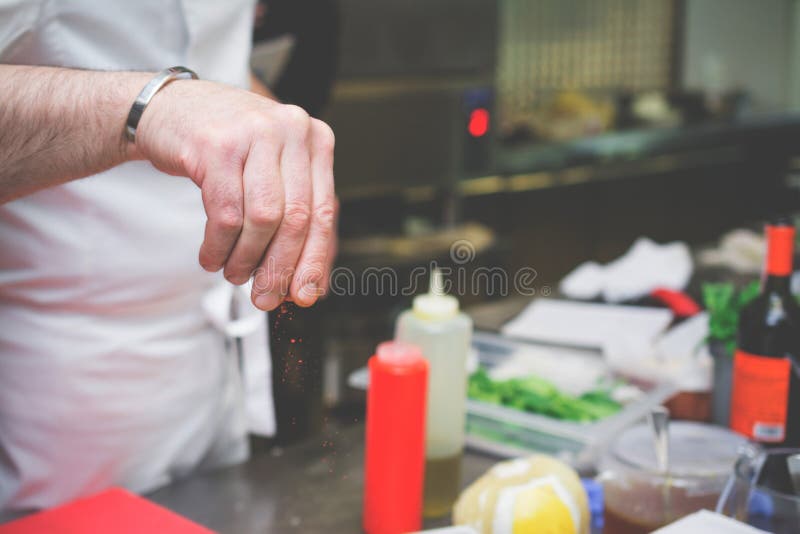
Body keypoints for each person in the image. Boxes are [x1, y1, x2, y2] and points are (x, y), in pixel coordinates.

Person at [0, 0, 336, 515]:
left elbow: (203, 50)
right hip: (67, 384)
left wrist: (272, 134)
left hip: (214, 349)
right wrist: (149, 106)